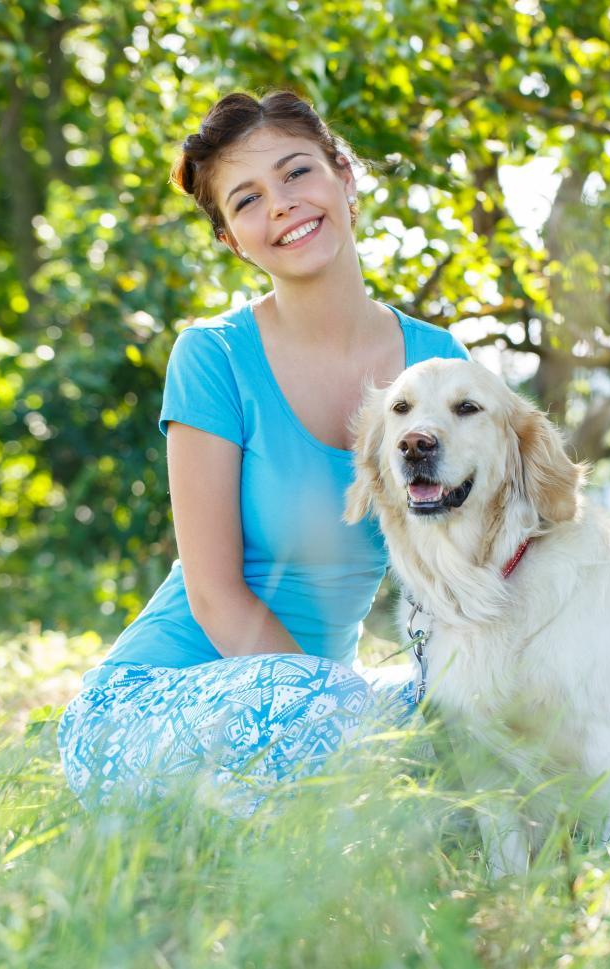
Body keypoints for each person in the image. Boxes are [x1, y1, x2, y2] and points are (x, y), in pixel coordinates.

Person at [57, 90, 469, 813]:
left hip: (312, 703)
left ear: (345, 177)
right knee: (349, 736)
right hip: (157, 705)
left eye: (297, 172)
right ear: (231, 241)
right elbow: (215, 594)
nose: (280, 204)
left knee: (462, 722)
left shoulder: (437, 364)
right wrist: (333, 704)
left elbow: (467, 567)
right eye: (246, 199)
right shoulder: (214, 357)